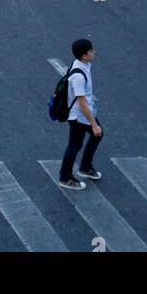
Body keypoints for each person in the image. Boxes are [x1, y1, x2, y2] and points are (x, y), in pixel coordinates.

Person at [58, 38, 104, 189]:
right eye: (91, 51)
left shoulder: (82, 64)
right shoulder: (78, 76)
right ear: (84, 55)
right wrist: (94, 123)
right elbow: (81, 102)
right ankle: (65, 177)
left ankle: (85, 167)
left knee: (97, 135)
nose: (93, 52)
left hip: (86, 113)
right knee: (75, 145)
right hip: (79, 116)